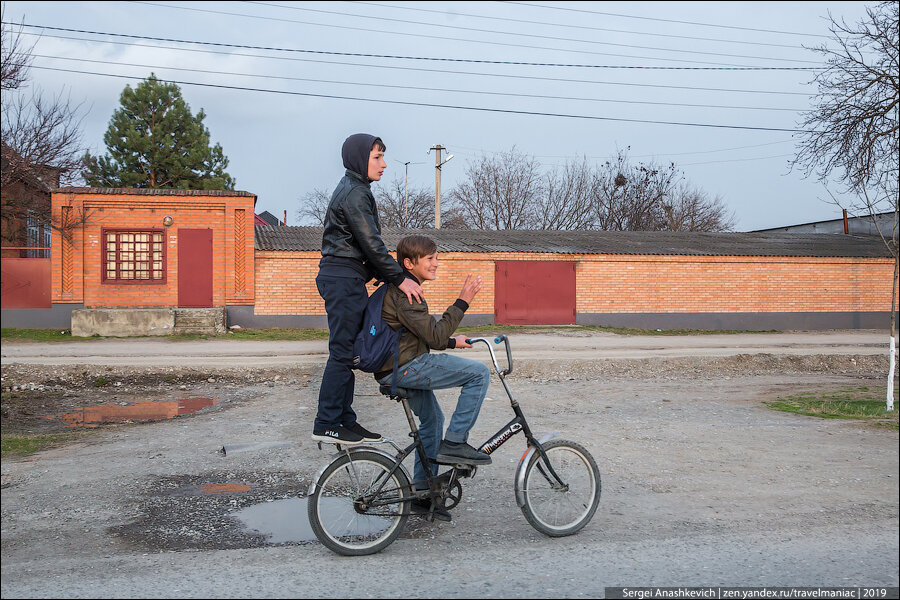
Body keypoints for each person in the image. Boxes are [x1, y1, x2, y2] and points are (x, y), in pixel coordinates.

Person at [312, 134, 424, 446]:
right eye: (377, 157)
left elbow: (365, 246)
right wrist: (401, 278)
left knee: (347, 351)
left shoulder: (356, 189)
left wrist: (390, 274)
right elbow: (372, 245)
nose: (384, 164)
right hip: (342, 278)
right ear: (361, 159)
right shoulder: (355, 193)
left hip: (347, 276)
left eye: (383, 156)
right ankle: (326, 422)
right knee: (342, 351)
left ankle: (344, 420)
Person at [375, 234, 492, 520]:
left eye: (436, 257)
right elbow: (436, 336)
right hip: (405, 367)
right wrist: (463, 301)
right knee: (478, 373)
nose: (436, 263)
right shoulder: (406, 293)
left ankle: (423, 495)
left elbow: (423, 334)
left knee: (433, 421)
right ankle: (455, 442)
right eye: (430, 259)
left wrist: (454, 343)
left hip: (396, 366)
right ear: (409, 263)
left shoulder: (401, 289)